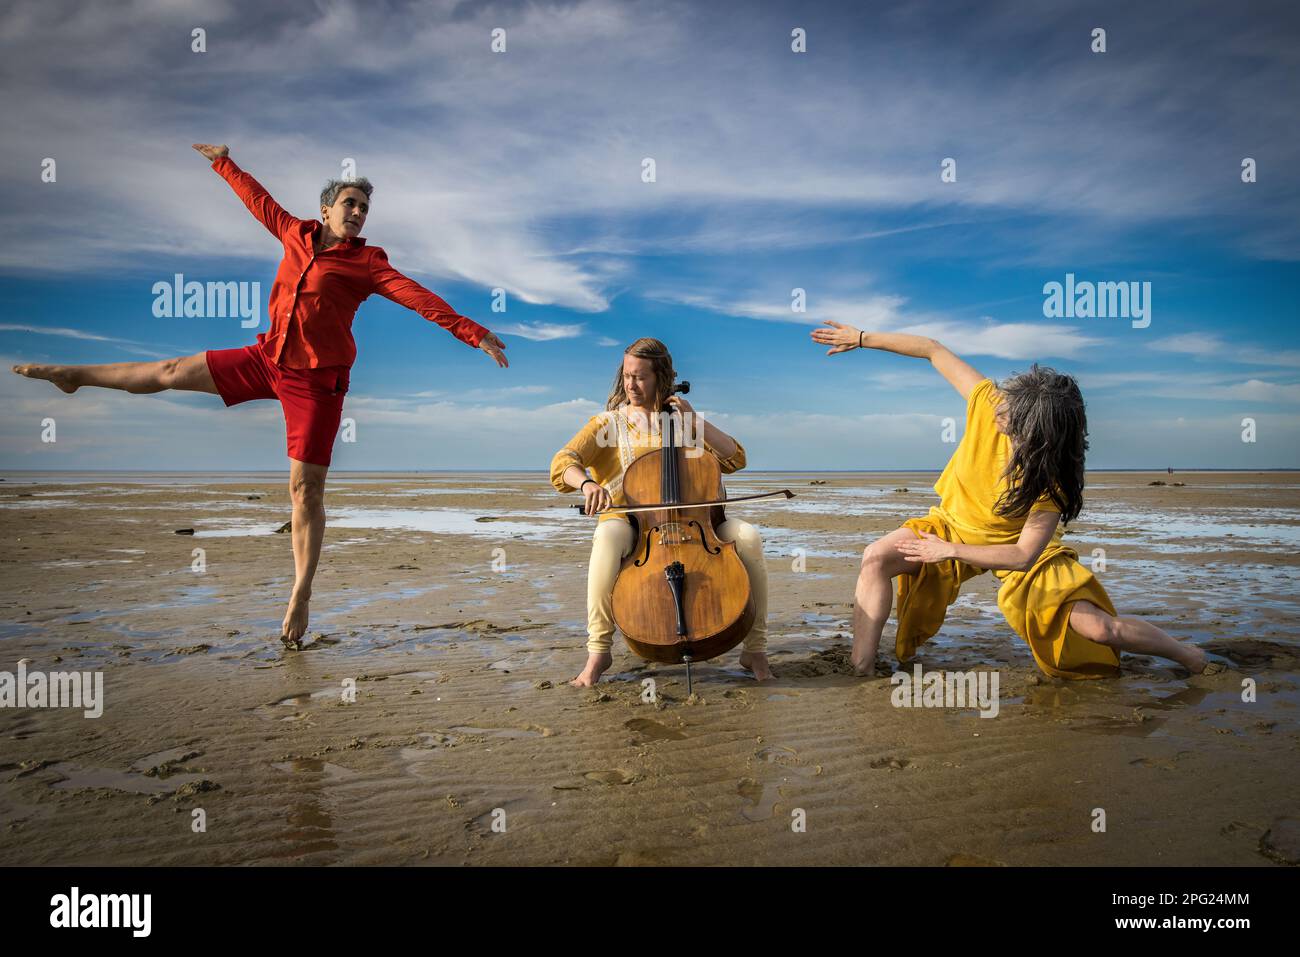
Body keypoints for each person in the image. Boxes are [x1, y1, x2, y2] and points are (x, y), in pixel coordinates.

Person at [12, 143, 509, 647]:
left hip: (316, 384)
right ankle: (74, 374)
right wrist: (224, 162)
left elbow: (417, 297)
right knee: (167, 370)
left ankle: (300, 593)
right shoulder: (294, 232)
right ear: (326, 209)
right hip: (266, 360)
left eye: (364, 208)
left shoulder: (368, 264)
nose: (358, 213)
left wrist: (473, 332)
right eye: (350, 204)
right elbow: (257, 200)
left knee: (305, 491)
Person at [809, 321, 1208, 679]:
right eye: (1006, 407)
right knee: (876, 556)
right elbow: (932, 348)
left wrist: (947, 552)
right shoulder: (990, 403)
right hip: (951, 524)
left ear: (1039, 436)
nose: (1000, 415)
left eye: (1012, 419)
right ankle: (860, 668)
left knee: (1099, 629)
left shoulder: (1052, 480)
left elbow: (1021, 556)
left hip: (1014, 548)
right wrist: (862, 339)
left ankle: (1188, 655)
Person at [550, 337, 772, 686]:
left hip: (698, 526)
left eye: (639, 377)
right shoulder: (608, 424)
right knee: (607, 536)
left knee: (748, 537)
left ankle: (755, 648)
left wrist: (695, 421)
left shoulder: (683, 420)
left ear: (661, 377)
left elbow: (735, 459)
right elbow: (563, 462)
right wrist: (587, 485)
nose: (630, 385)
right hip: (630, 522)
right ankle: (598, 651)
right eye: (626, 376)